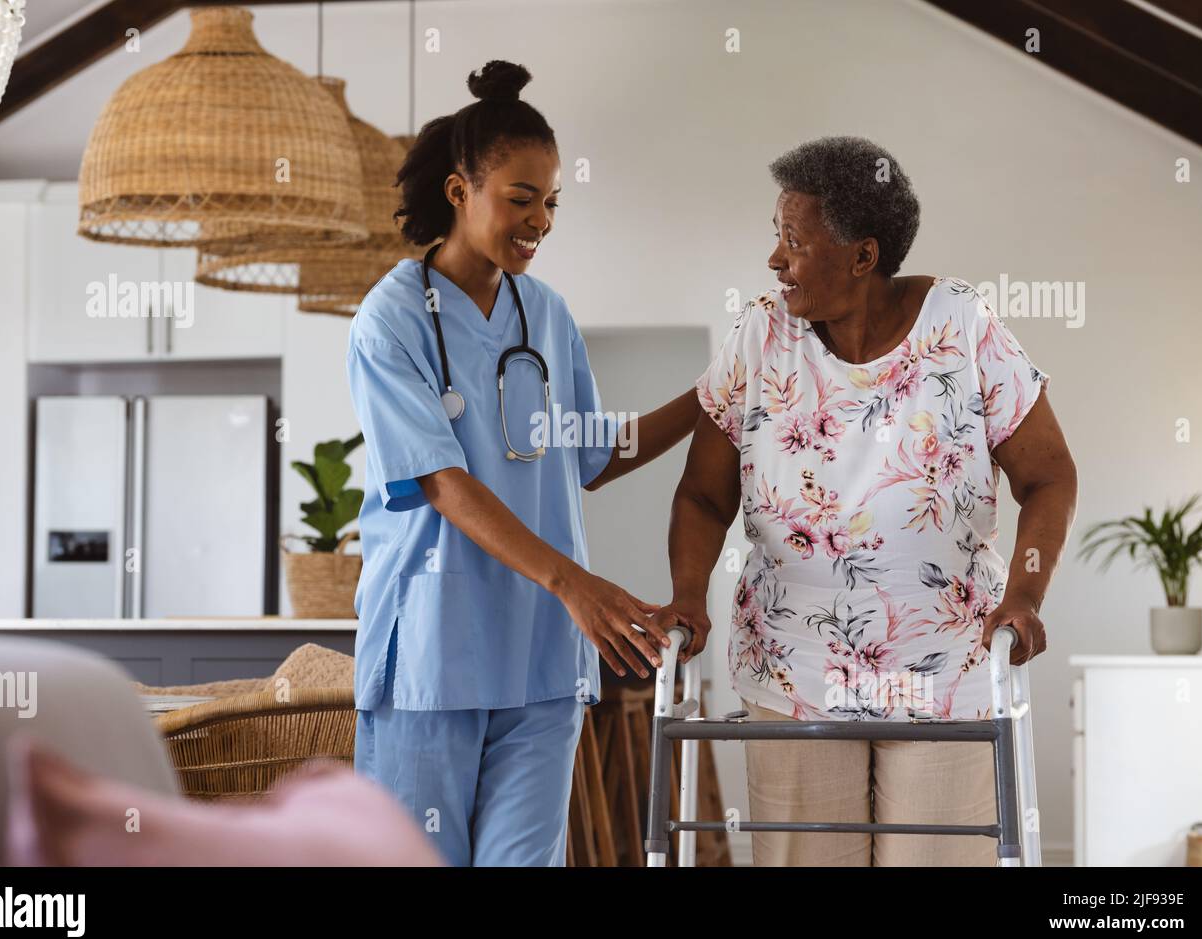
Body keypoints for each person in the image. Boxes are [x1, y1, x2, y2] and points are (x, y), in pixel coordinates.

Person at [652, 136, 1078, 866]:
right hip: (794, 670)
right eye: (775, 237)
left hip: (942, 668)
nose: (775, 259)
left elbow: (1048, 476)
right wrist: (689, 595)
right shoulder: (762, 333)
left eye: (794, 240)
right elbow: (699, 493)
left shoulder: (962, 325)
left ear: (862, 256)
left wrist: (1026, 595)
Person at [345, 60, 699, 866]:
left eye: (550, 202)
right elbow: (443, 481)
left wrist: (711, 400)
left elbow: (591, 452)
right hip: (434, 649)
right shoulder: (390, 319)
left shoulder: (545, 311)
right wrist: (577, 582)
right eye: (520, 197)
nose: (539, 219)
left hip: (540, 652)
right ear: (459, 190)